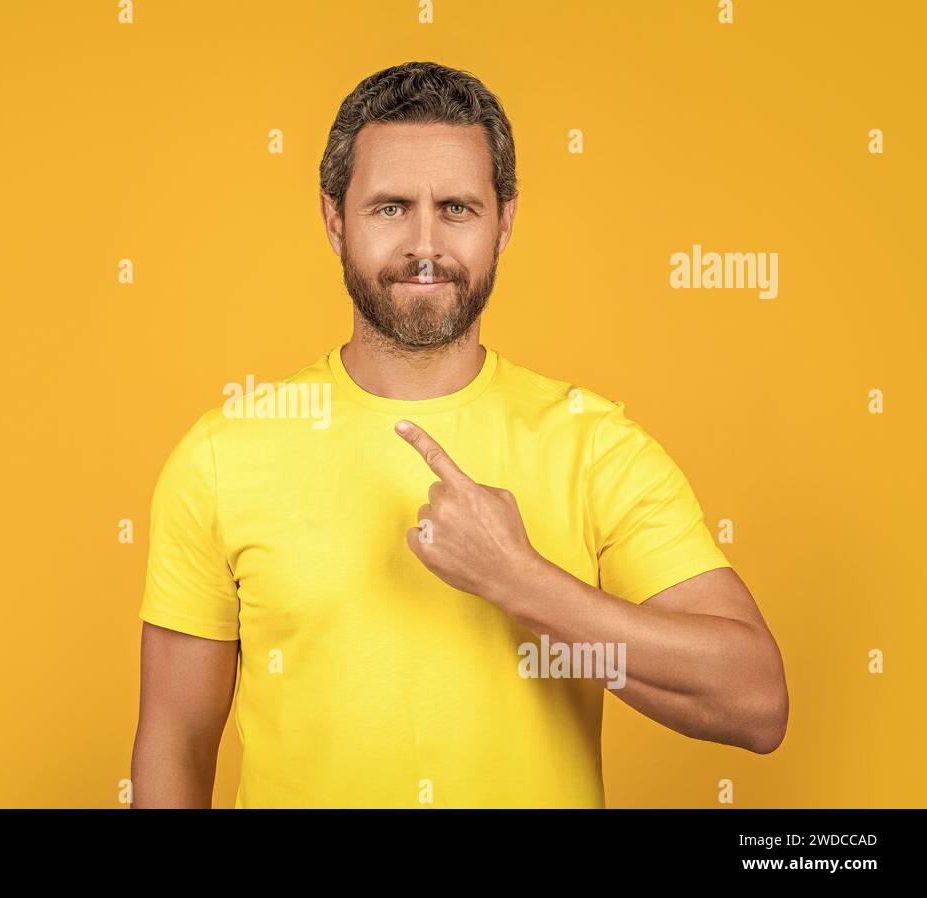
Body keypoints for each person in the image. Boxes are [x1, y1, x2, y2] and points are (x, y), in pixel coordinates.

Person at [131, 61, 787, 808]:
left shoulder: (595, 445)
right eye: (388, 208)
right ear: (333, 218)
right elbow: (175, 741)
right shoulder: (222, 456)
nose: (423, 244)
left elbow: (756, 702)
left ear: (503, 220)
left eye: (456, 208)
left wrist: (519, 579)